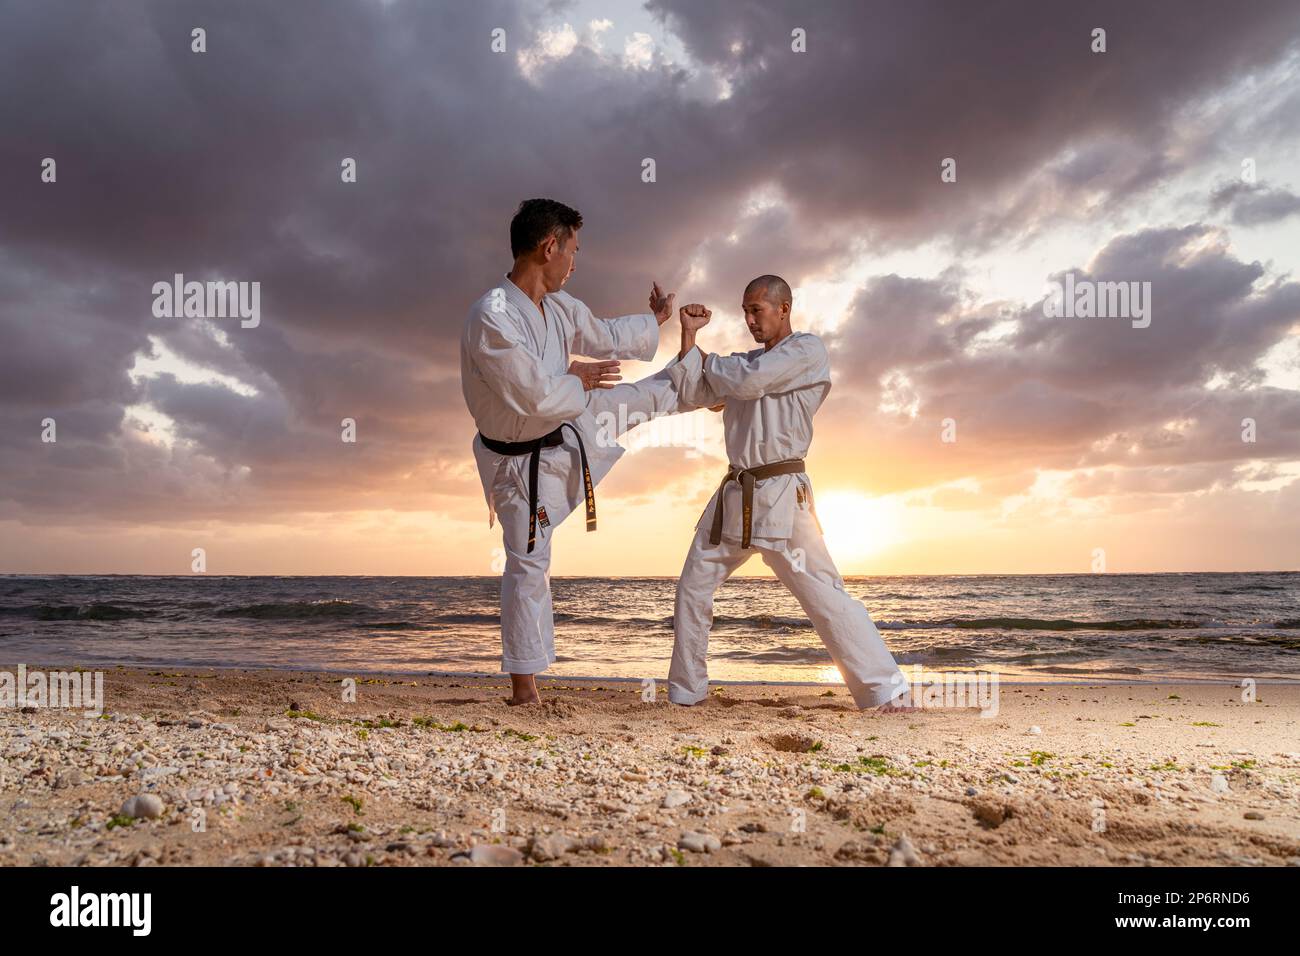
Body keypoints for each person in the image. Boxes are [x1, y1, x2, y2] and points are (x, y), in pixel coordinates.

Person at [461, 197, 693, 705]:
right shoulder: (492, 317)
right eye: (574, 250)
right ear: (550, 247)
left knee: (637, 398)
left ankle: (701, 383)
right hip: (516, 463)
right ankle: (525, 688)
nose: (575, 262)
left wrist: (654, 321)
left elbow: (605, 335)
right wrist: (574, 376)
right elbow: (529, 391)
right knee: (528, 563)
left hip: (563, 431)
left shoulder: (561, 307)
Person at [665, 275, 915, 711]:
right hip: (734, 494)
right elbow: (695, 391)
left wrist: (711, 363)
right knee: (692, 587)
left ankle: (885, 692)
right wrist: (687, 335)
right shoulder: (739, 363)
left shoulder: (807, 351)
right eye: (744, 310)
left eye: (756, 310)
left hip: (784, 494)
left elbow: (750, 381)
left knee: (823, 595)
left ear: (783, 308)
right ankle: (688, 694)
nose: (749, 319)